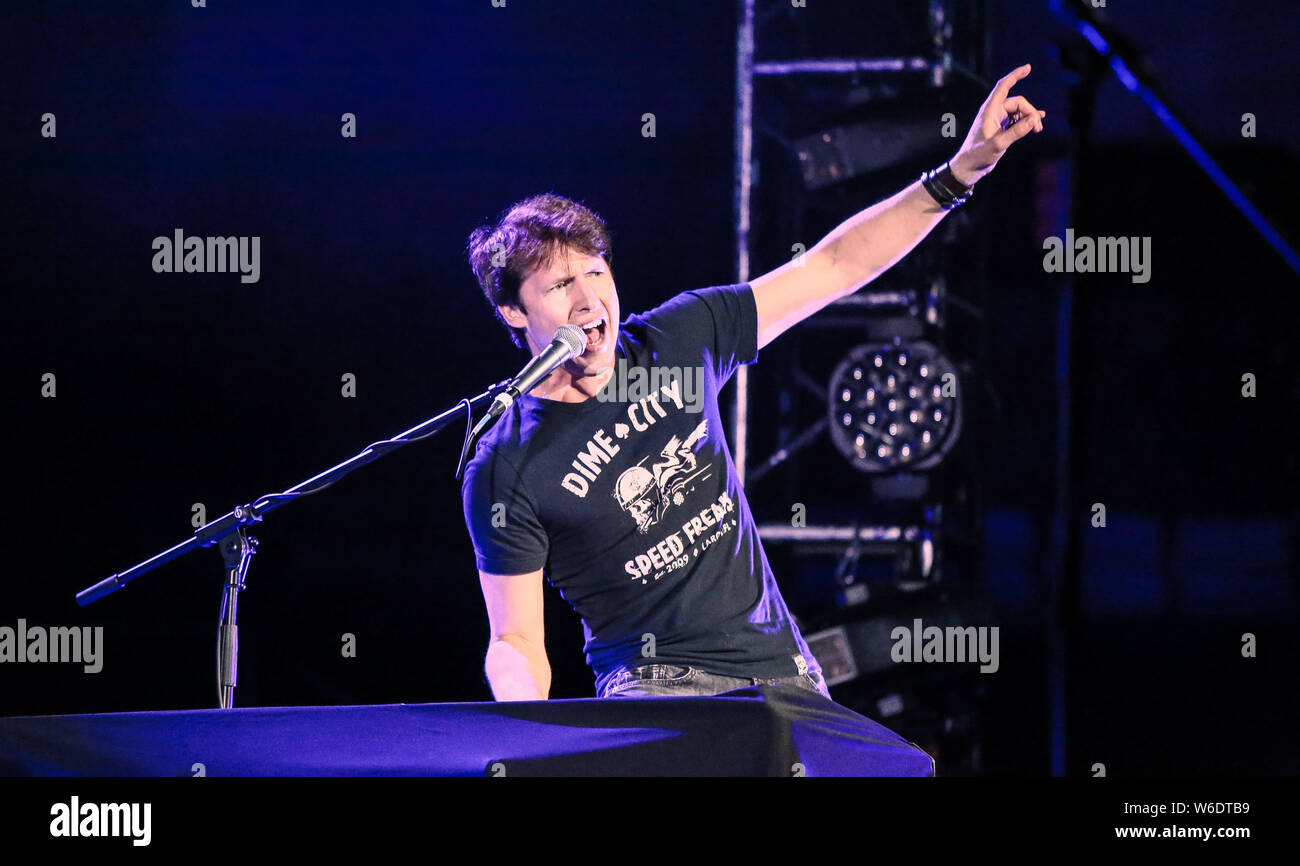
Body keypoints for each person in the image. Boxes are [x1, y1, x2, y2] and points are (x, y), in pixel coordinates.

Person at [461, 65, 1044, 701]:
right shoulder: (506, 464)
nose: (589, 300)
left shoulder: (680, 338)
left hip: (786, 676)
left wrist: (960, 173)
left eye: (595, 274)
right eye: (560, 286)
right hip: (657, 687)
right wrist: (524, 736)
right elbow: (515, 642)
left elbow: (835, 263)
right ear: (513, 313)